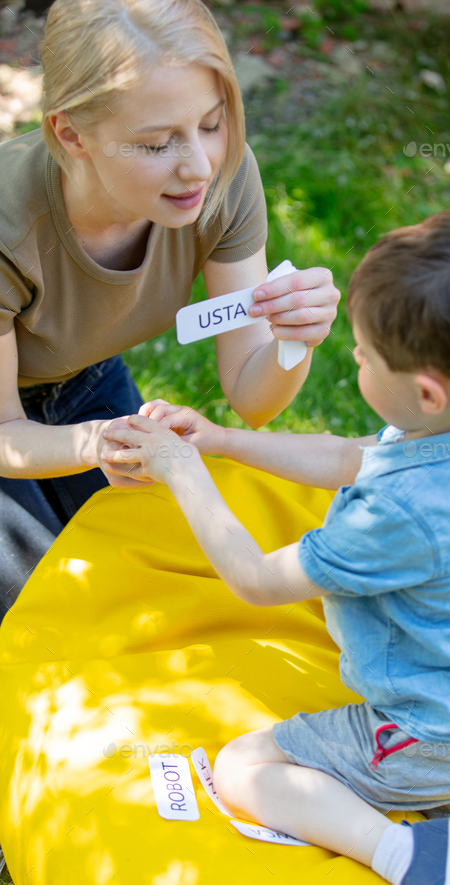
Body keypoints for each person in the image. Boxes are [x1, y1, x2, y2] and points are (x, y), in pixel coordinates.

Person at [102, 207, 450, 885]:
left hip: (430, 733)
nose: (355, 360)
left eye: (363, 356)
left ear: (425, 389)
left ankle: (400, 853)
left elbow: (255, 578)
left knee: (244, 767)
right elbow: (346, 456)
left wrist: (181, 470)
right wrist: (219, 439)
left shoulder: (397, 516)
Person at [0, 0, 340, 613]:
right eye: (157, 144)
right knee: (48, 607)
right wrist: (97, 444)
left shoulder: (222, 181)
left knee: (167, 577)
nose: (200, 165)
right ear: (70, 134)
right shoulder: (8, 225)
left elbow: (250, 397)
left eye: (211, 124)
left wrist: (295, 341)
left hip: (82, 379)